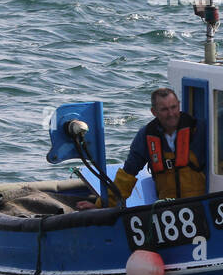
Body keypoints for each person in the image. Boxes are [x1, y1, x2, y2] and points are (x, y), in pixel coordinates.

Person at [78, 88, 206, 209]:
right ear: (154, 112)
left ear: (179, 105)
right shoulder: (146, 136)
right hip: (166, 210)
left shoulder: (199, 129)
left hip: (201, 205)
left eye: (174, 107)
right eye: (164, 109)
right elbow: (127, 174)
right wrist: (101, 206)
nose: (171, 114)